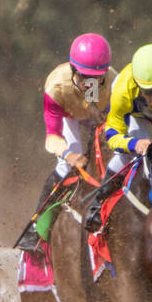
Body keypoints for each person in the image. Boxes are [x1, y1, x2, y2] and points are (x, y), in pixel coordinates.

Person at [79, 43, 152, 232]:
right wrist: (135, 144)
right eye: (149, 92)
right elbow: (112, 135)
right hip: (137, 116)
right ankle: (98, 203)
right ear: (137, 85)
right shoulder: (123, 90)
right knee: (127, 156)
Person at [12, 33, 115, 252]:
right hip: (70, 116)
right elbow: (52, 136)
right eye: (85, 78)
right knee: (67, 165)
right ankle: (36, 231)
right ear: (73, 70)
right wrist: (68, 154)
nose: (91, 84)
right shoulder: (57, 87)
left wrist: (100, 117)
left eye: (97, 79)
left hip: (98, 114)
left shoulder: (113, 82)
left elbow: (112, 119)